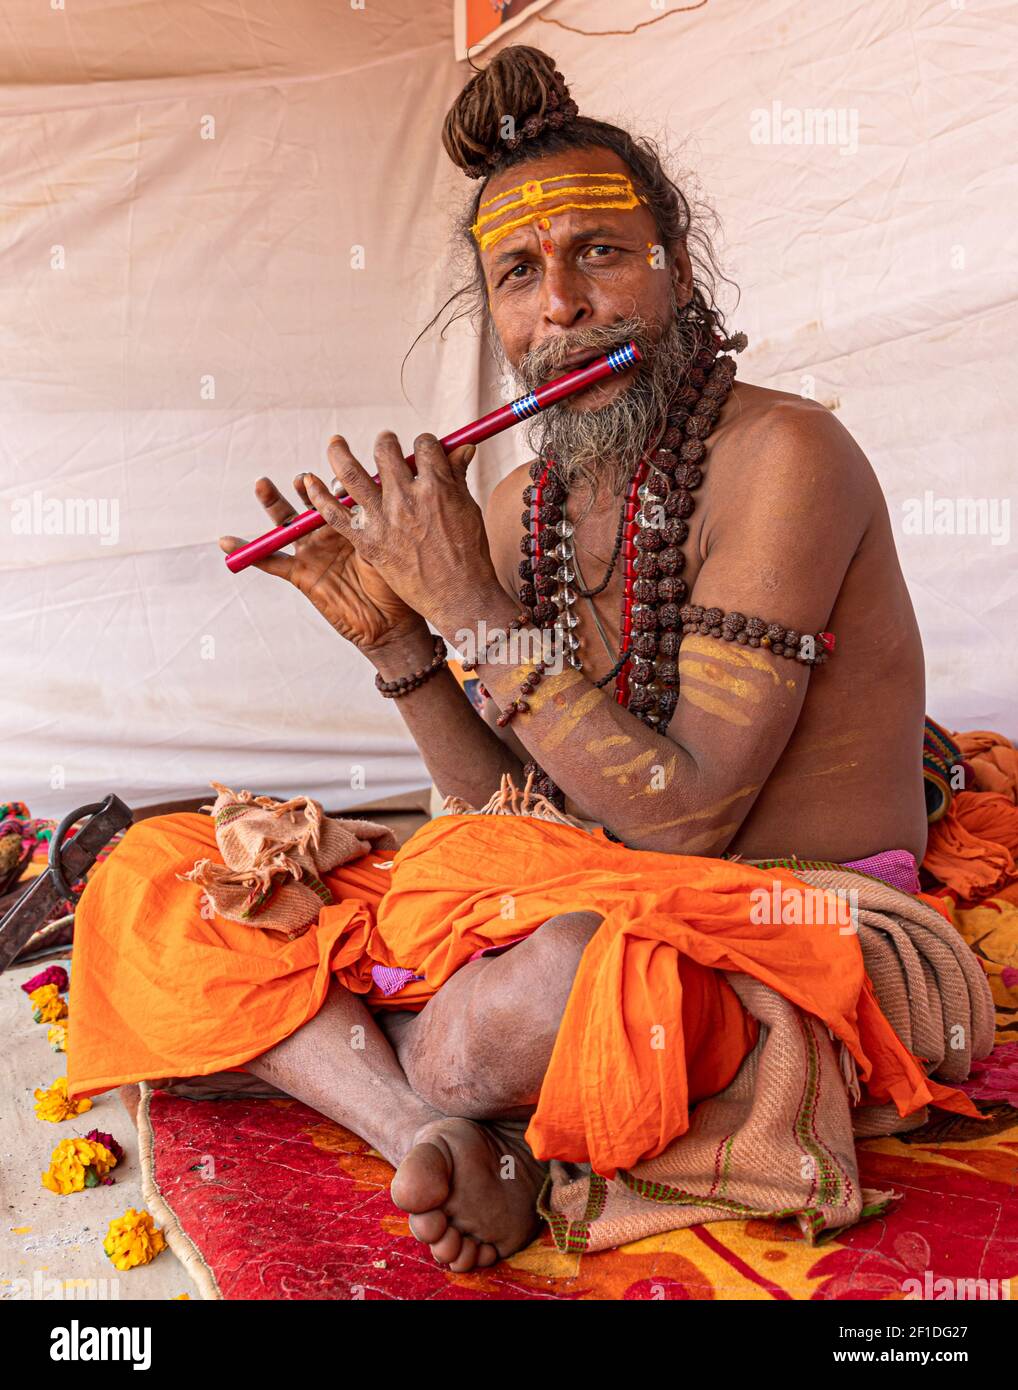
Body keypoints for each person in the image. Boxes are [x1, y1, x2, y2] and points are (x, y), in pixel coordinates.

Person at [68, 46, 969, 1275]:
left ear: (674, 268)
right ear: (493, 316)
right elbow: (508, 809)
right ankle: (427, 1122)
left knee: (553, 985)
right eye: (517, 274)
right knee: (162, 871)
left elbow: (689, 822)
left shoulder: (788, 457)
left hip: (784, 924)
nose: (561, 305)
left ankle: (383, 1061)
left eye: (599, 252)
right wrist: (400, 638)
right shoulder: (513, 501)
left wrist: (465, 603)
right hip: (575, 891)